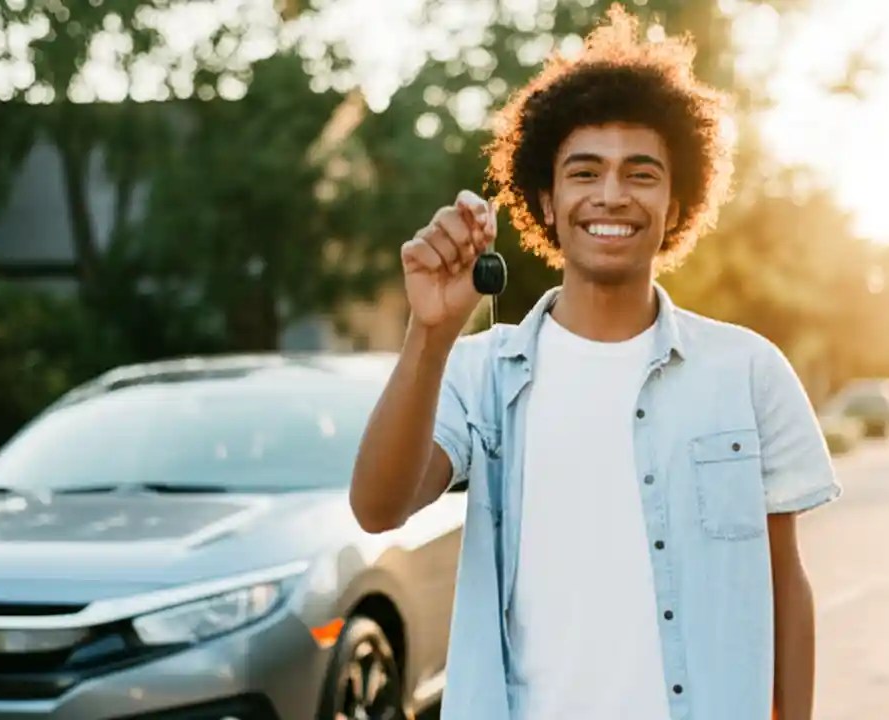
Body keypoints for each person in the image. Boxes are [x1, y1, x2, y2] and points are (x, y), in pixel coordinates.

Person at [350, 5, 841, 719]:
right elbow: (377, 506)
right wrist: (430, 333)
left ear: (676, 204)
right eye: (585, 172)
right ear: (547, 201)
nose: (611, 194)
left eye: (641, 174)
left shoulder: (748, 372)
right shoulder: (480, 373)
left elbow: (784, 586)